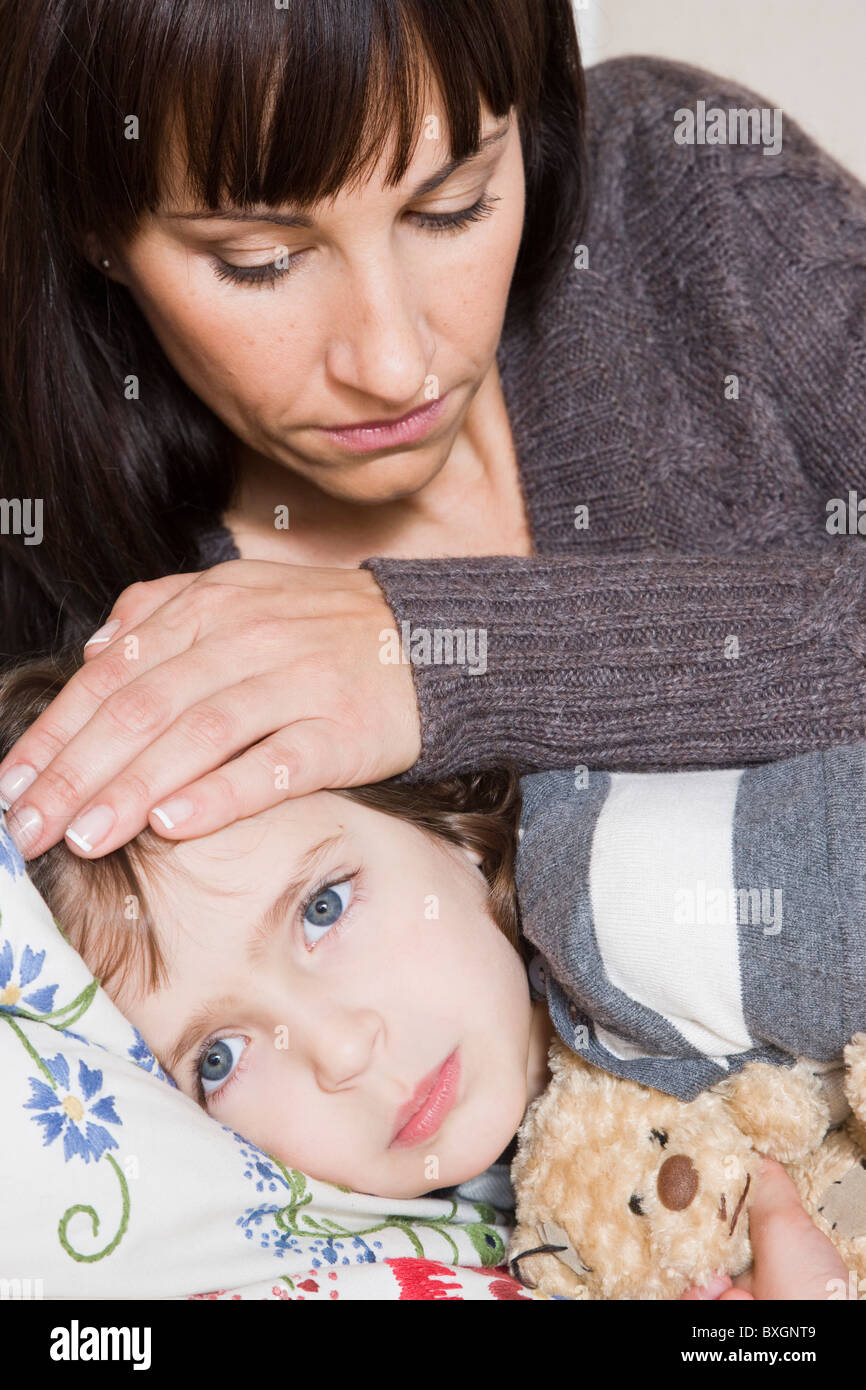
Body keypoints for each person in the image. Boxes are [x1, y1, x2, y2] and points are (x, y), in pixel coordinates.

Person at [1, 2, 865, 866]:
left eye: (453, 207)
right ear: (93, 230)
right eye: (259, 258)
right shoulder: (55, 602)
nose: (390, 364)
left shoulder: (686, 183)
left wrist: (441, 657)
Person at [0, 653, 857, 1300]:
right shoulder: (504, 1231)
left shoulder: (627, 901)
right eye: (217, 1058)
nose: (339, 1049)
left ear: (437, 817)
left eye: (323, 909)